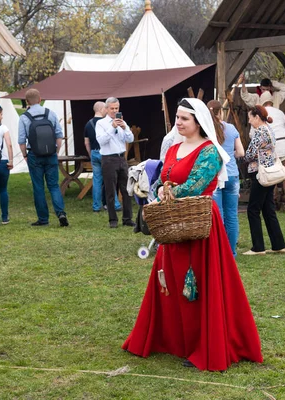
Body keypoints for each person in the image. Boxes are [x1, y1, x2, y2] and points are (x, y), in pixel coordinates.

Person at [122, 98, 263, 371]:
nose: (178, 122)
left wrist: (168, 191)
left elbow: (196, 184)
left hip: (200, 227)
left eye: (184, 118)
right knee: (171, 282)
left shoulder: (209, 151)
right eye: (177, 117)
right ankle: (173, 340)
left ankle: (202, 342)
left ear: (198, 122)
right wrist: (162, 188)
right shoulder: (174, 148)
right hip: (173, 225)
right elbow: (164, 177)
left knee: (198, 284)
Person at [18, 88, 69, 227]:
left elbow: (21, 140)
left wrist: (25, 155)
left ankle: (43, 219)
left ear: (27, 102)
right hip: (51, 154)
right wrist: (56, 151)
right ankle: (61, 213)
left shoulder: (24, 118)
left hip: (34, 155)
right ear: (40, 99)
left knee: (38, 187)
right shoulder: (50, 114)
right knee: (54, 185)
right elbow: (59, 135)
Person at [243, 105, 285, 255]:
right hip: (270, 173)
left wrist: (245, 157)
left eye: (250, 118)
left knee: (253, 210)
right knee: (268, 210)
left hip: (261, 175)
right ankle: (278, 244)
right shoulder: (269, 129)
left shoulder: (259, 132)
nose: (249, 121)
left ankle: (258, 247)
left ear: (256, 117)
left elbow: (249, 154)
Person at [207, 100, 244, 257]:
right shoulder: (231, 128)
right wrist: (231, 155)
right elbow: (241, 153)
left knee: (218, 214)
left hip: (215, 175)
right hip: (232, 174)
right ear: (221, 112)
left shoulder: (207, 130)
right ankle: (232, 252)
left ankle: (219, 251)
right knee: (232, 214)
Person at [95, 97, 135, 228]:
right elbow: (101, 141)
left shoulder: (122, 122)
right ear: (106, 109)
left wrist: (125, 127)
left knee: (127, 189)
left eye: (116, 108)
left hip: (121, 158)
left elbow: (130, 138)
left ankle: (127, 218)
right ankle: (113, 219)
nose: (114, 111)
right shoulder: (101, 123)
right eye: (111, 108)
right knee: (110, 190)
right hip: (108, 159)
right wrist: (112, 128)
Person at [259, 91, 285, 211]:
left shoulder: (260, 113)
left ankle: (274, 202)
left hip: (272, 145)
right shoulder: (280, 112)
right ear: (271, 101)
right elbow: (283, 127)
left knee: (272, 173)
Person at [83, 101, 120, 213]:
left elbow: (86, 142)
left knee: (97, 180)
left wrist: (91, 155)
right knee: (110, 180)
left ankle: (96, 206)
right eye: (106, 108)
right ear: (101, 109)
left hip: (94, 153)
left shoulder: (88, 124)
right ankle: (116, 204)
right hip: (106, 153)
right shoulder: (106, 123)